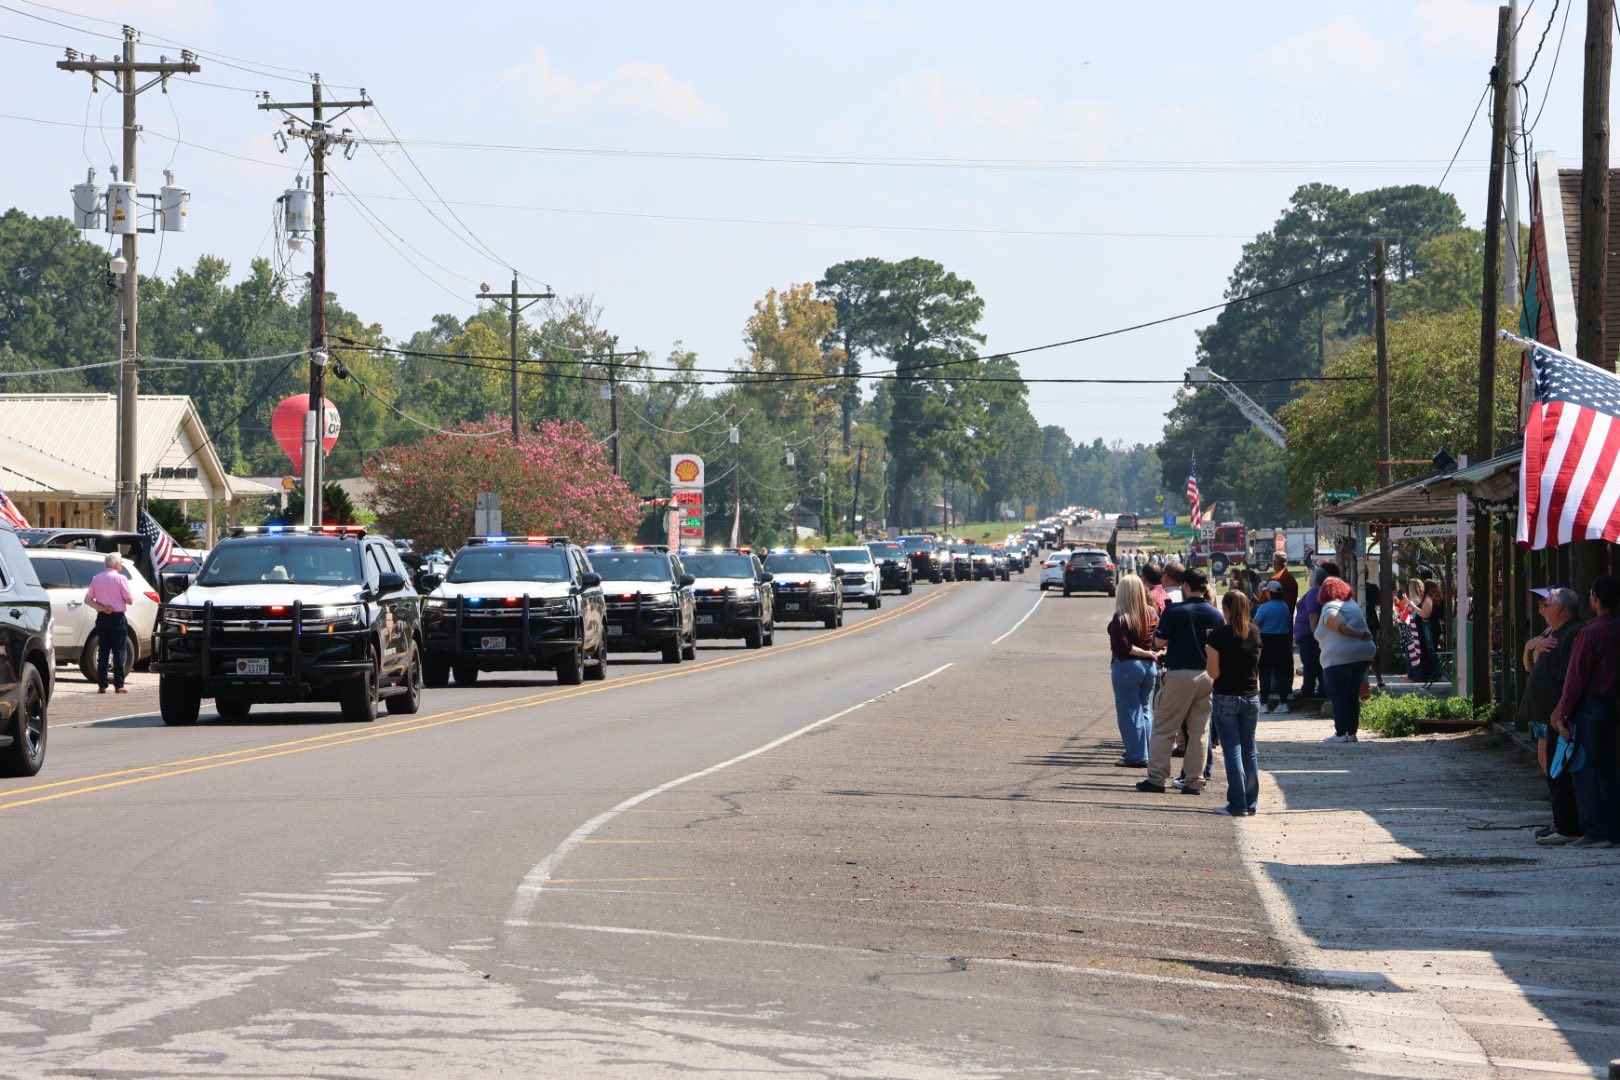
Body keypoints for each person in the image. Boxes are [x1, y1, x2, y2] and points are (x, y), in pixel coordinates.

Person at [1549, 575, 1620, 849]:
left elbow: (1576, 677)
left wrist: (1562, 713)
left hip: (1591, 707)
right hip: (1613, 706)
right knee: (1610, 768)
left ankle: (1595, 829)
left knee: (1585, 768)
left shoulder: (1590, 632)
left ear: (1595, 598)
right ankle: (1612, 827)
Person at [1138, 567, 1223, 795]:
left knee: (1165, 727)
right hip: (1206, 675)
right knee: (1199, 731)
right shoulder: (1216, 615)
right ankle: (1194, 780)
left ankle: (1156, 778)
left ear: (1185, 585)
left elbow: (1160, 641)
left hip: (1179, 674)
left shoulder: (1175, 611)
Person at [1519, 586, 1584, 845]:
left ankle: (1567, 826)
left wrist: (1560, 711)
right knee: (1553, 770)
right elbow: (1532, 664)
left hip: (1558, 717)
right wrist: (1531, 646)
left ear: (1559, 608)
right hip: (1548, 714)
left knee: (1560, 771)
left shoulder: (1572, 633)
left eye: (1548, 602)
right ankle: (1562, 822)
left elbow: (1570, 677)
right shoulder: (1553, 632)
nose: (1542, 607)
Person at [1207, 589, 1262, 817]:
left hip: (1226, 696)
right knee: (1249, 750)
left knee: (1232, 751)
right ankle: (1250, 802)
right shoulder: (1255, 633)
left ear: (1226, 609)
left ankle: (1237, 804)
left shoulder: (1217, 636)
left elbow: (1213, 673)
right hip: (1251, 696)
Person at [1315, 576, 1376, 743]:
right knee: (1351, 694)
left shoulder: (1329, 606)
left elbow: (1339, 625)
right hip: (1363, 654)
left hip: (1339, 657)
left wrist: (1358, 634)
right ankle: (1352, 732)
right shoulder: (1352, 604)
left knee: (1338, 695)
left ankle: (1340, 733)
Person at [1107, 574, 1159, 768]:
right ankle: (1146, 751)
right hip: (1149, 668)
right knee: (1145, 710)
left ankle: (1136, 755)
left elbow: (1124, 647)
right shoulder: (1152, 614)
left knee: (1129, 711)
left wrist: (1144, 653)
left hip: (1128, 666)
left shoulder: (1122, 617)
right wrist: (1148, 654)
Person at [84, 551, 136, 694]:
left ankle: (102, 685)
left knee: (104, 651)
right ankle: (119, 684)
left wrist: (102, 608)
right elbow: (130, 600)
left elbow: (87, 600)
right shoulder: (121, 579)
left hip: (102, 617)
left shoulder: (96, 578)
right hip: (117, 617)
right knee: (119, 651)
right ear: (117, 565)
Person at [1293, 561, 1339, 698]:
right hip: (1310, 635)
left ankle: (1308, 690)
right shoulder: (1317, 591)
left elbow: (1313, 615)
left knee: (1309, 664)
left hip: (1309, 635)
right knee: (1317, 664)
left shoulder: (1314, 591)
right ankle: (1322, 689)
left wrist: (1315, 634)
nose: (1310, 576)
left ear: (1316, 578)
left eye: (1312, 574)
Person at [1254, 579, 1293, 713]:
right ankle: (1283, 702)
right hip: (1282, 641)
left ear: (1269, 593)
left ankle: (1264, 703)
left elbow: (1255, 625)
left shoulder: (1264, 607)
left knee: (1265, 673)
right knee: (1281, 673)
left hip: (1267, 641)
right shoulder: (1285, 606)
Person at [1364, 582, 1385, 690]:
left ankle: (1378, 678)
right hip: (1371, 621)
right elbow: (1379, 602)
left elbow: (1378, 601)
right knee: (1374, 650)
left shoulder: (1371, 588)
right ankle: (1379, 678)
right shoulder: (1373, 588)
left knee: (1373, 650)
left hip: (1369, 621)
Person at [1267, 552, 1298, 618]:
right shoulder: (1292, 579)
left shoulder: (1273, 580)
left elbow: (1263, 602)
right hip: (1288, 620)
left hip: (1273, 621)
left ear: (1274, 563)